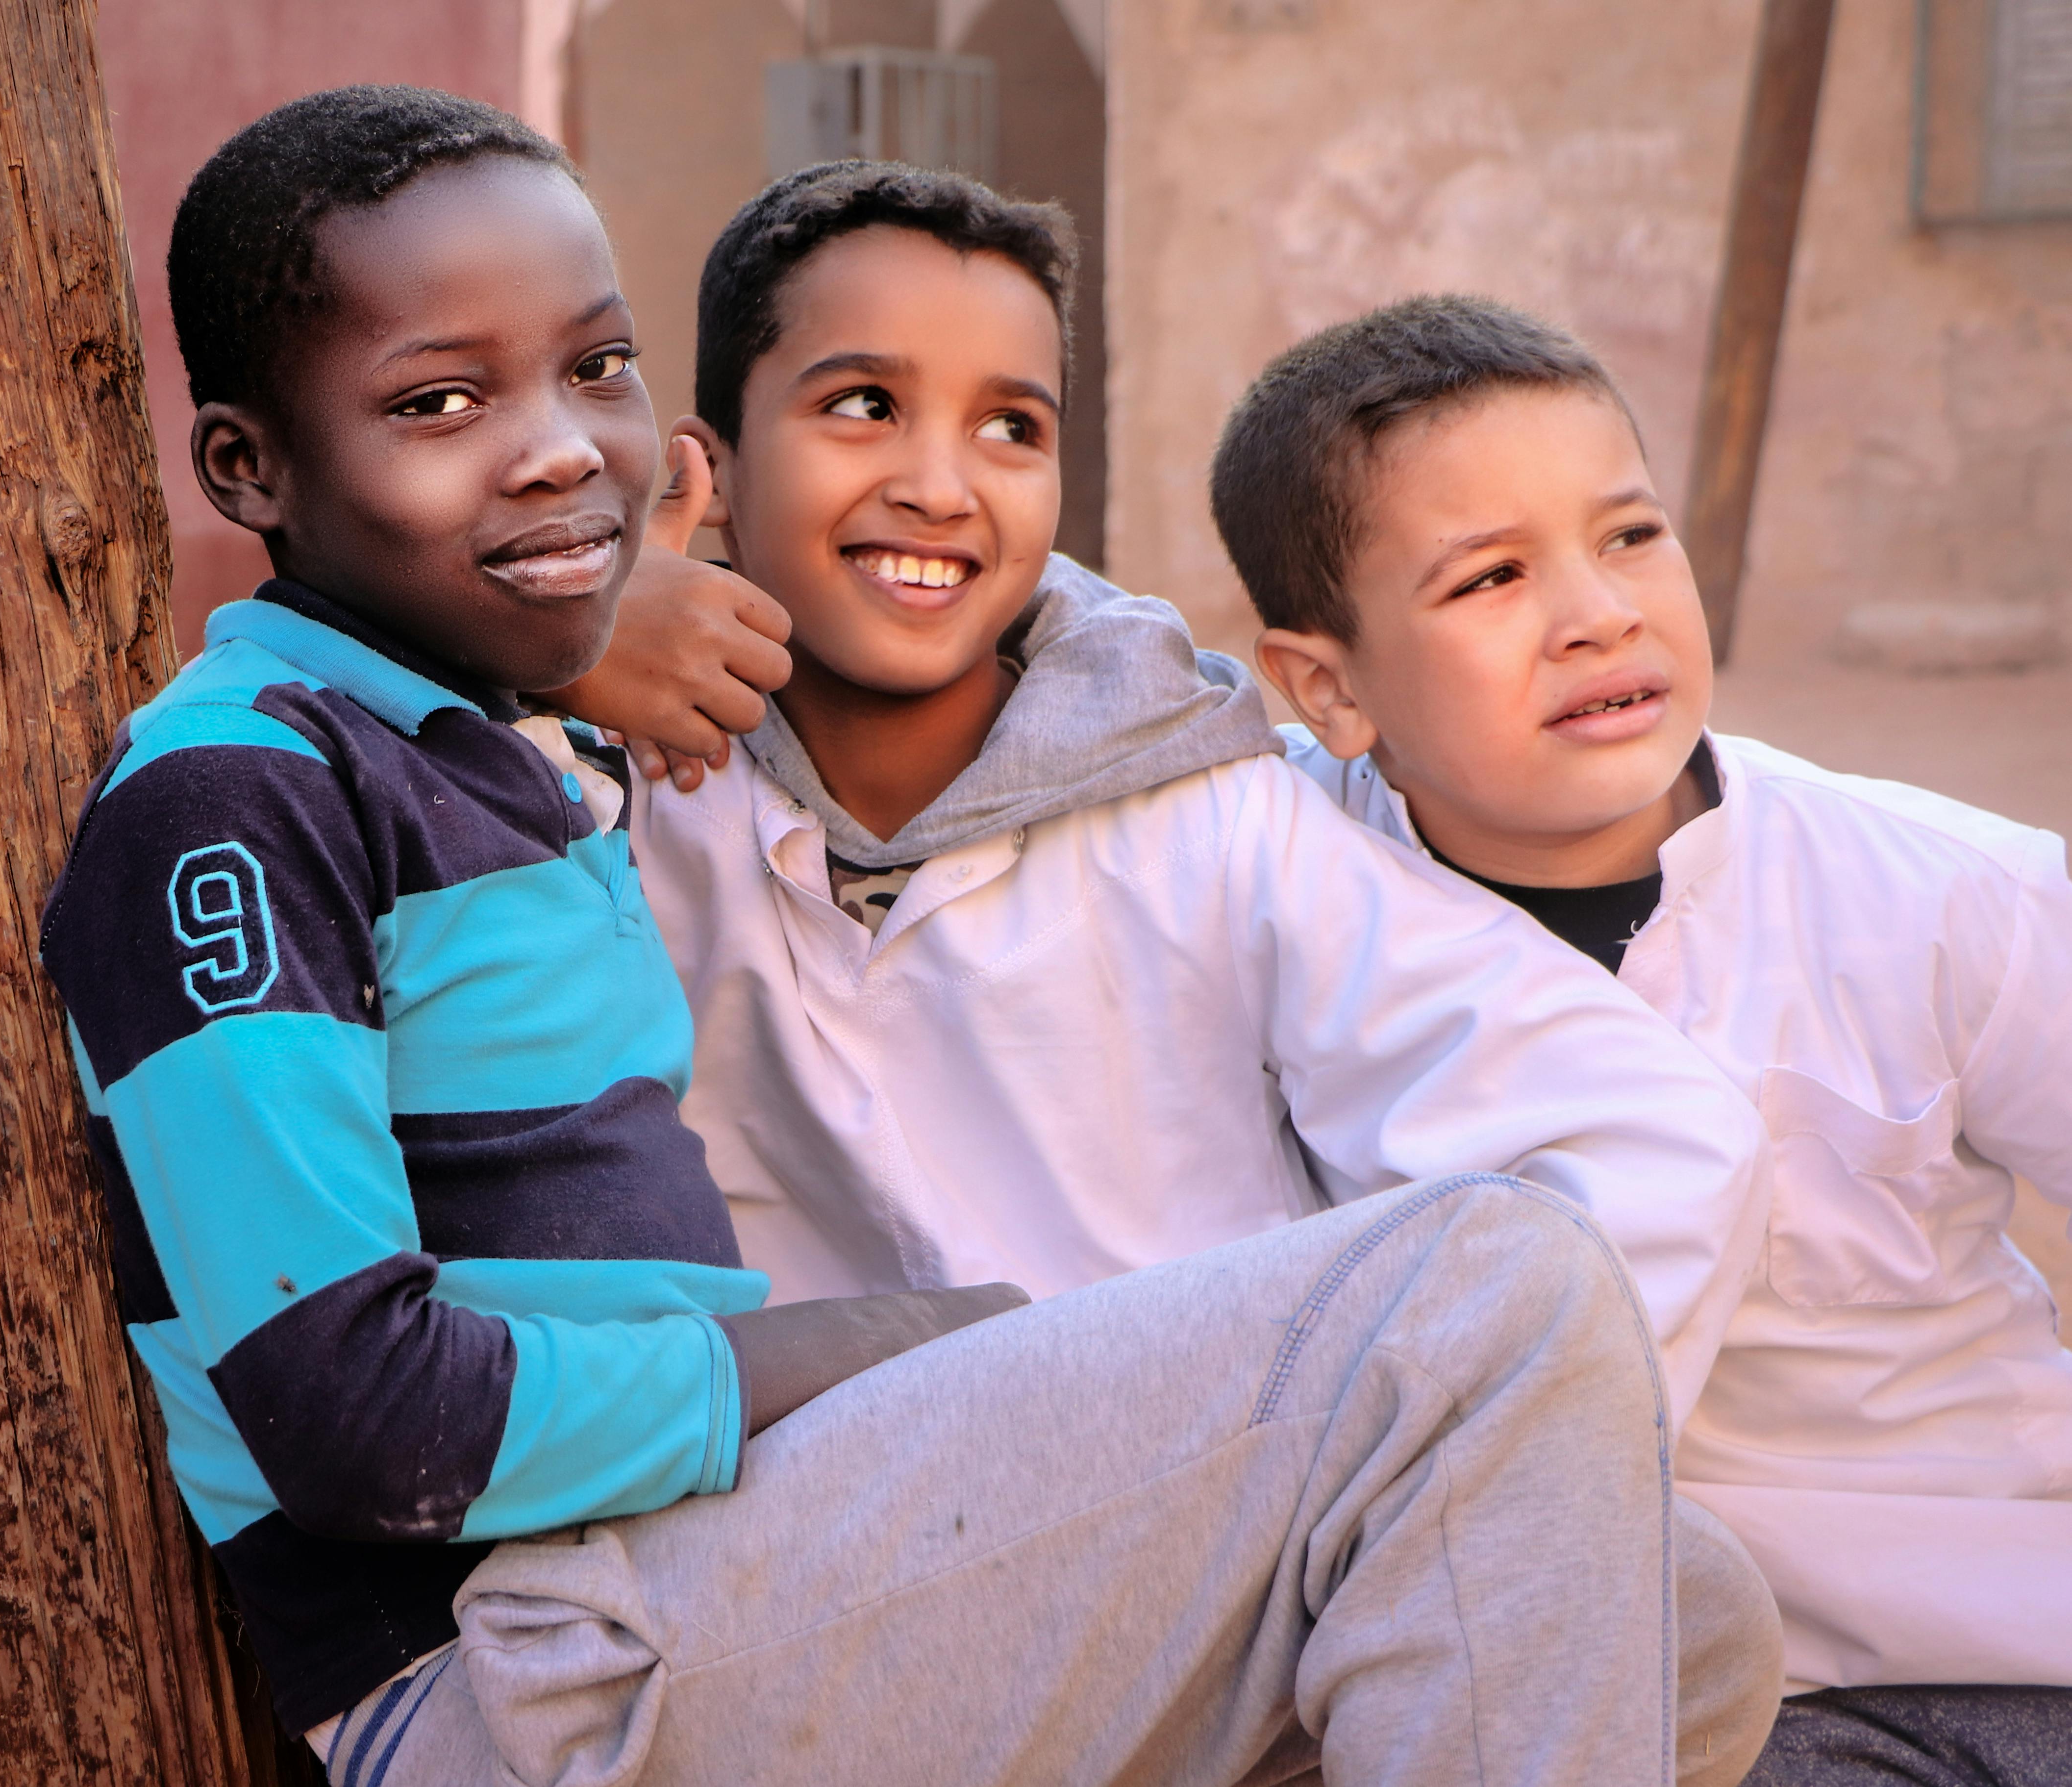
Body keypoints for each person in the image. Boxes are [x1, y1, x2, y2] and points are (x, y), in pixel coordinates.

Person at [39, 92, 1775, 1787]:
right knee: (1480, 1288)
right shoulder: (236, 801)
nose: (560, 448)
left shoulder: (499, 750)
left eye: (596, 369)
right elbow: (357, 1424)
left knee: (1670, 1609)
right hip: (525, 1664)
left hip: (724, 1563)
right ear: (247, 467)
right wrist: (869, 1348)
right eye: (439, 400)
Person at [549, 161, 1783, 1782]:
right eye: (862, 406)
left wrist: (1506, 1468)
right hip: (816, 1565)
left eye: (1011, 427)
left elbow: (1652, 1142)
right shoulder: (603, 798)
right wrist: (564, 642)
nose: (940, 483)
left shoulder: (1201, 810)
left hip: (1189, 1544)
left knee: (1684, 1606)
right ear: (705, 469)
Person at [1217, 293, 2072, 1786]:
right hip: (1579, 1674)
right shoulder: (1268, 881)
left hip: (1991, 1653)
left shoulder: (1945, 895)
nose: (1599, 613)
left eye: (1629, 535)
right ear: (1330, 686)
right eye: (1491, 575)